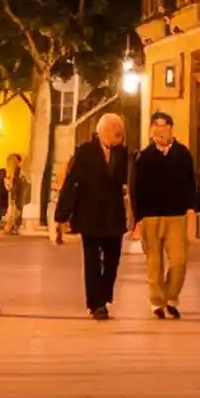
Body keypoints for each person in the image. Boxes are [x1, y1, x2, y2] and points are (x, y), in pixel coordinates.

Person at [55, 114, 130, 321]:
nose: (119, 137)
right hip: (90, 215)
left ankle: (104, 295)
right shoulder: (85, 152)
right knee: (92, 261)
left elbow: (127, 181)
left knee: (113, 260)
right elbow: (72, 183)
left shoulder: (122, 154)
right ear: (103, 132)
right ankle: (95, 303)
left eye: (121, 133)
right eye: (116, 132)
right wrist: (62, 213)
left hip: (113, 216)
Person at [131, 112, 197, 320]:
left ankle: (171, 298)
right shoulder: (143, 156)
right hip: (150, 216)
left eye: (164, 125)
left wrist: (192, 210)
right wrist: (137, 219)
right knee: (154, 262)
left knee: (179, 260)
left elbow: (190, 184)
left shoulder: (183, 154)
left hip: (176, 215)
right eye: (156, 126)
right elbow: (136, 188)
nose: (160, 129)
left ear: (171, 128)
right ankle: (157, 301)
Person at [2, 154, 28, 236]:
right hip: (16, 194)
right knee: (15, 210)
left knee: (14, 210)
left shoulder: (13, 172)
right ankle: (14, 226)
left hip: (14, 194)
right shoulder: (18, 172)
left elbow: (9, 186)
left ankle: (12, 226)